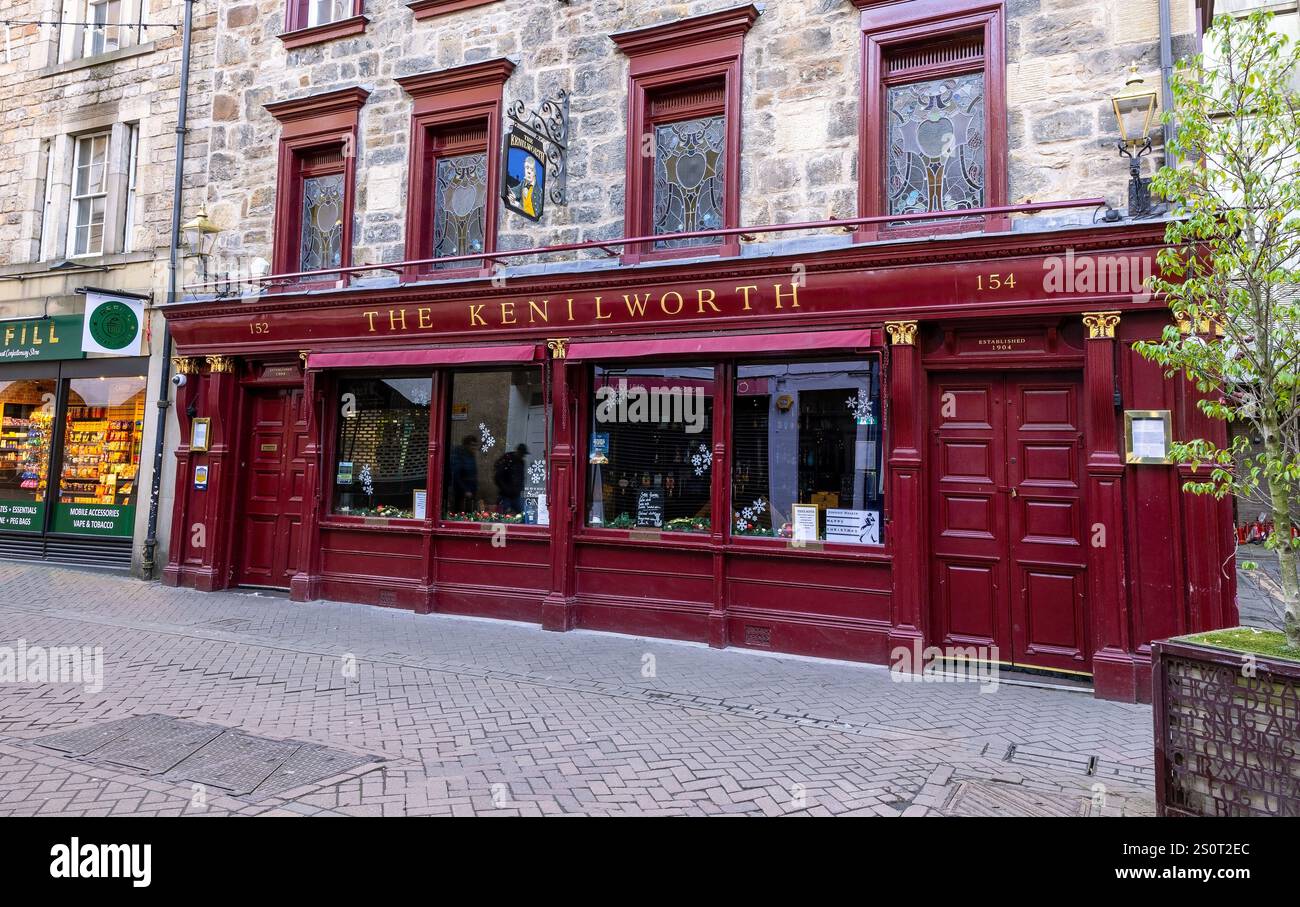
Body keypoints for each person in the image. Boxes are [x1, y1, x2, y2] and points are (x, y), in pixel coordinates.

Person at [493, 443, 529, 515]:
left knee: (522, 514)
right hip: (505, 495)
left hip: (515, 494)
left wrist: (520, 488)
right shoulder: (507, 459)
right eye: (522, 454)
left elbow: (521, 477)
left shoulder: (521, 462)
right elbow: (498, 476)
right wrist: (505, 489)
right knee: (505, 514)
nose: (523, 456)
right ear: (518, 451)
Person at [449, 435, 479, 513]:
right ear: (466, 445)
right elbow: (456, 475)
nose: (474, 448)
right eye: (472, 445)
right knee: (460, 511)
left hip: (470, 489)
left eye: (475, 445)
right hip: (461, 490)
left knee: (469, 511)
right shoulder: (459, 455)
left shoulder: (471, 455)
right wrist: (465, 490)